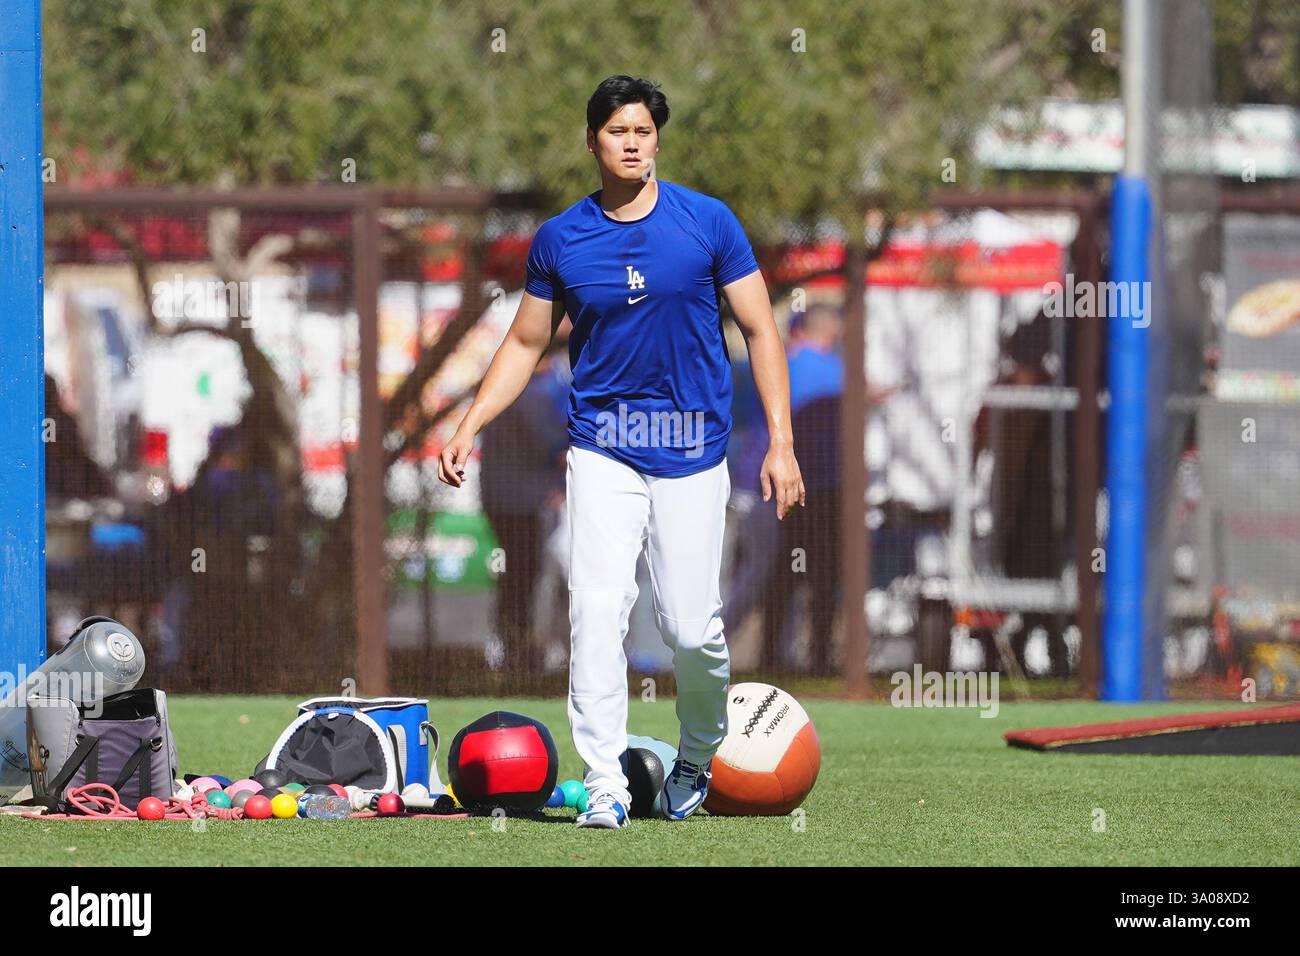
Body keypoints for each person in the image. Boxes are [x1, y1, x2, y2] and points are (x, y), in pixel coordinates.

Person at [438, 75, 803, 829]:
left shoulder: (709, 223)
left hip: (695, 449)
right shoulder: (562, 238)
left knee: (692, 626)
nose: (632, 142)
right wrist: (470, 422)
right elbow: (528, 342)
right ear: (592, 141)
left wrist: (781, 445)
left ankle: (699, 749)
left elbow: (763, 332)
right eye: (617, 131)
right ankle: (604, 780)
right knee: (597, 608)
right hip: (603, 447)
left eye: (643, 130)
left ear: (657, 137)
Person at [763, 304, 843, 674]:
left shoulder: (783, 369)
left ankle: (770, 655)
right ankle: (821, 658)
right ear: (830, 330)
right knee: (824, 576)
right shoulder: (839, 372)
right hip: (827, 491)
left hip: (788, 488)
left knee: (786, 572)